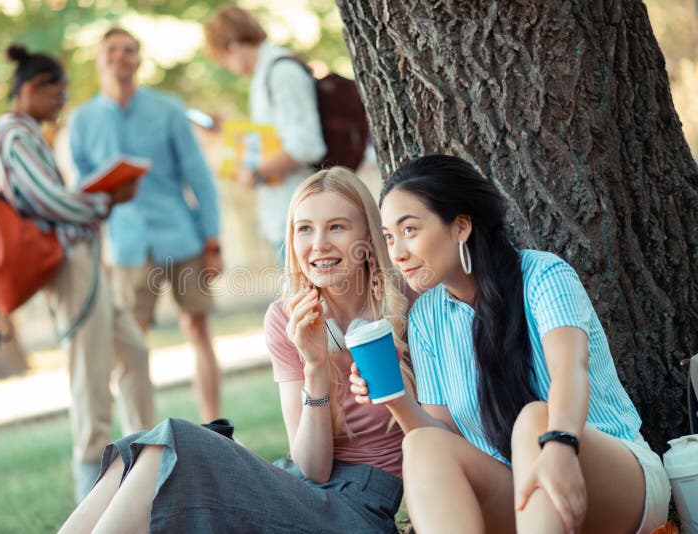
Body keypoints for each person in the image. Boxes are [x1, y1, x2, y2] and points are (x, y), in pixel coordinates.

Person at [59, 166, 415, 533]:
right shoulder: (285, 318)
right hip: (302, 486)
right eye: (304, 228)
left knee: (174, 443)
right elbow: (314, 468)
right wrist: (314, 365)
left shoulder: (406, 306)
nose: (319, 244)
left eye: (337, 227)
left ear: (369, 238)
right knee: (144, 450)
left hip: (358, 509)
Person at [351, 154, 671, 533]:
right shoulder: (426, 318)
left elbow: (571, 372)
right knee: (421, 446)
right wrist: (397, 398)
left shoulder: (543, 277)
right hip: (516, 494)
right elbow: (445, 439)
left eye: (410, 230)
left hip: (605, 479)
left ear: (461, 226)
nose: (398, 253)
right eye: (389, 237)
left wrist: (559, 445)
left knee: (535, 418)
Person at [0, 44, 154, 502]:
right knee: (90, 374)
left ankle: (147, 459)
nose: (61, 103)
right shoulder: (15, 134)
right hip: (67, 269)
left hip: (82, 262)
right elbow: (48, 200)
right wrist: (105, 201)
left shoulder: (29, 134)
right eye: (57, 93)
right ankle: (94, 490)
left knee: (134, 352)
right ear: (30, 88)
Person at [70, 27, 223, 423]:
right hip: (126, 247)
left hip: (181, 237)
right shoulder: (82, 121)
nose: (121, 56)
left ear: (138, 60)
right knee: (132, 344)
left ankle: (216, 427)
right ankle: (142, 437)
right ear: (99, 59)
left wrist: (212, 240)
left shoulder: (168, 108)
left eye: (130, 50)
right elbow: (82, 194)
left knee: (198, 330)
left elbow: (198, 176)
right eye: (112, 50)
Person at [204, 4, 327, 262]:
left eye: (221, 57)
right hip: (287, 216)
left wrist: (257, 174)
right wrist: (231, 127)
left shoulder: (280, 71)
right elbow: (275, 134)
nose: (224, 65)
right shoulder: (265, 73)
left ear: (233, 44)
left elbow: (305, 144)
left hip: (299, 217)